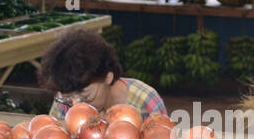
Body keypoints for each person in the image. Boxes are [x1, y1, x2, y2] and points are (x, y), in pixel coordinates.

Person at [39, 29, 167, 119]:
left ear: (107, 77)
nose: (76, 106)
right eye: (68, 98)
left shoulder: (144, 101)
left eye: (85, 97)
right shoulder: (64, 100)